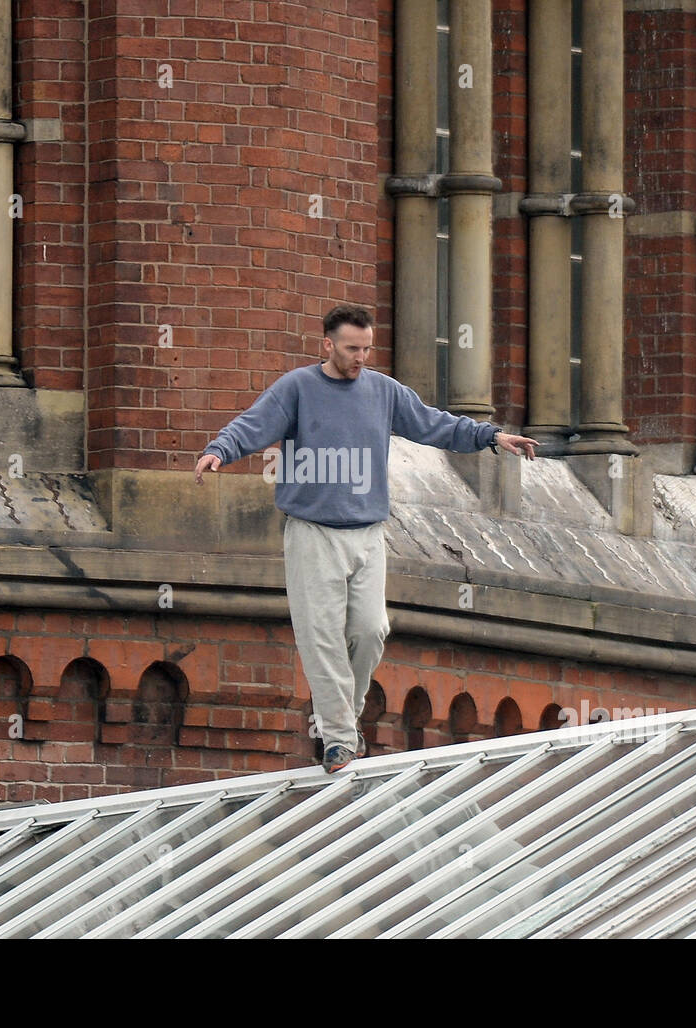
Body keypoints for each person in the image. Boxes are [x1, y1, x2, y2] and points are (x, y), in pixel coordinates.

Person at [194, 305, 538, 773]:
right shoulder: (298, 388)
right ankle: (337, 739)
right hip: (313, 533)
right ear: (328, 345)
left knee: (370, 630)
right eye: (352, 348)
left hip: (368, 532)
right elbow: (254, 424)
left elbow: (434, 423)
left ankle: (344, 720)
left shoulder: (382, 391)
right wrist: (220, 450)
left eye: (367, 348)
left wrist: (491, 437)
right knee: (322, 638)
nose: (360, 357)